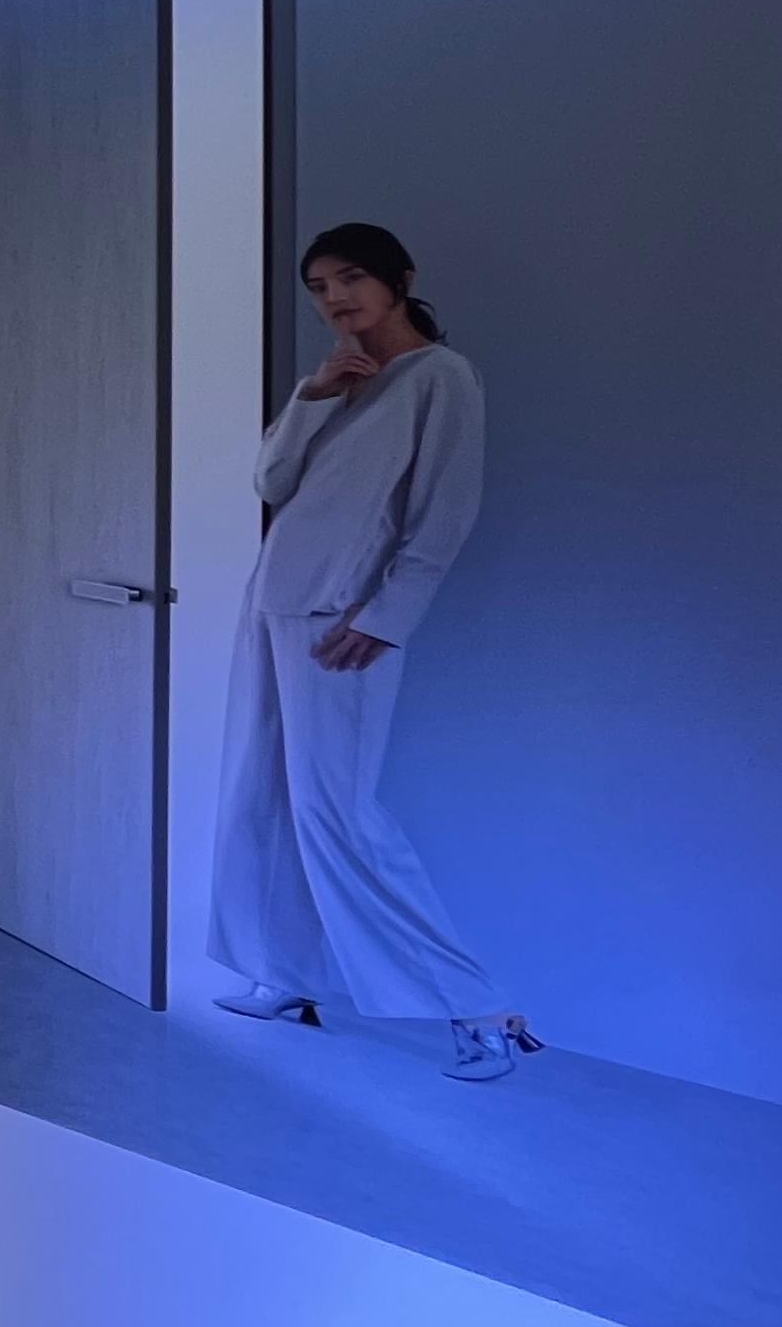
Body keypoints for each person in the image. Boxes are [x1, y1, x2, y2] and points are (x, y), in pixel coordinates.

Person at [207, 222, 536, 1079]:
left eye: (351, 278)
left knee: (339, 812)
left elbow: (445, 511)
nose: (335, 298)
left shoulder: (441, 377)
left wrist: (389, 616)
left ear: (400, 278)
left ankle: (482, 1010)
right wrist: (313, 395)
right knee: (263, 795)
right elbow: (271, 483)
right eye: (319, 287)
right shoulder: (340, 380)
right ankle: (285, 976)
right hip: (275, 603)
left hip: (342, 620)